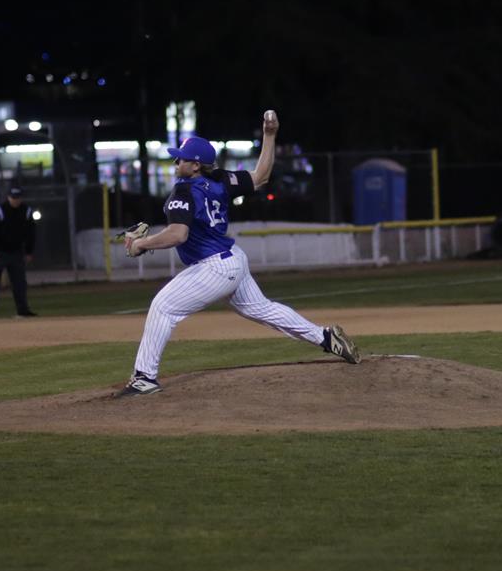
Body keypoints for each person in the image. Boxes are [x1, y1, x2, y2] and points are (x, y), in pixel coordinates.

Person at [119, 110, 359, 395]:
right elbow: (260, 177)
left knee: (163, 307)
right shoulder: (220, 179)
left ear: (196, 165)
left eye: (181, 158)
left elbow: (178, 234)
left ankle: (144, 377)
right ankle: (325, 336)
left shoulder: (182, 191)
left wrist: (140, 245)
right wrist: (270, 135)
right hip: (233, 261)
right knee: (263, 309)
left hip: (214, 267)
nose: (176, 161)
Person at [0, 184, 38, 317]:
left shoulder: (26, 210)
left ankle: (23, 310)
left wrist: (29, 251)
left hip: (17, 252)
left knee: (19, 283)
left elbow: (31, 233)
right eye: (13, 198)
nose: (15, 201)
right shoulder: (0, 210)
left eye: (18, 198)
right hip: (0, 252)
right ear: (8, 197)